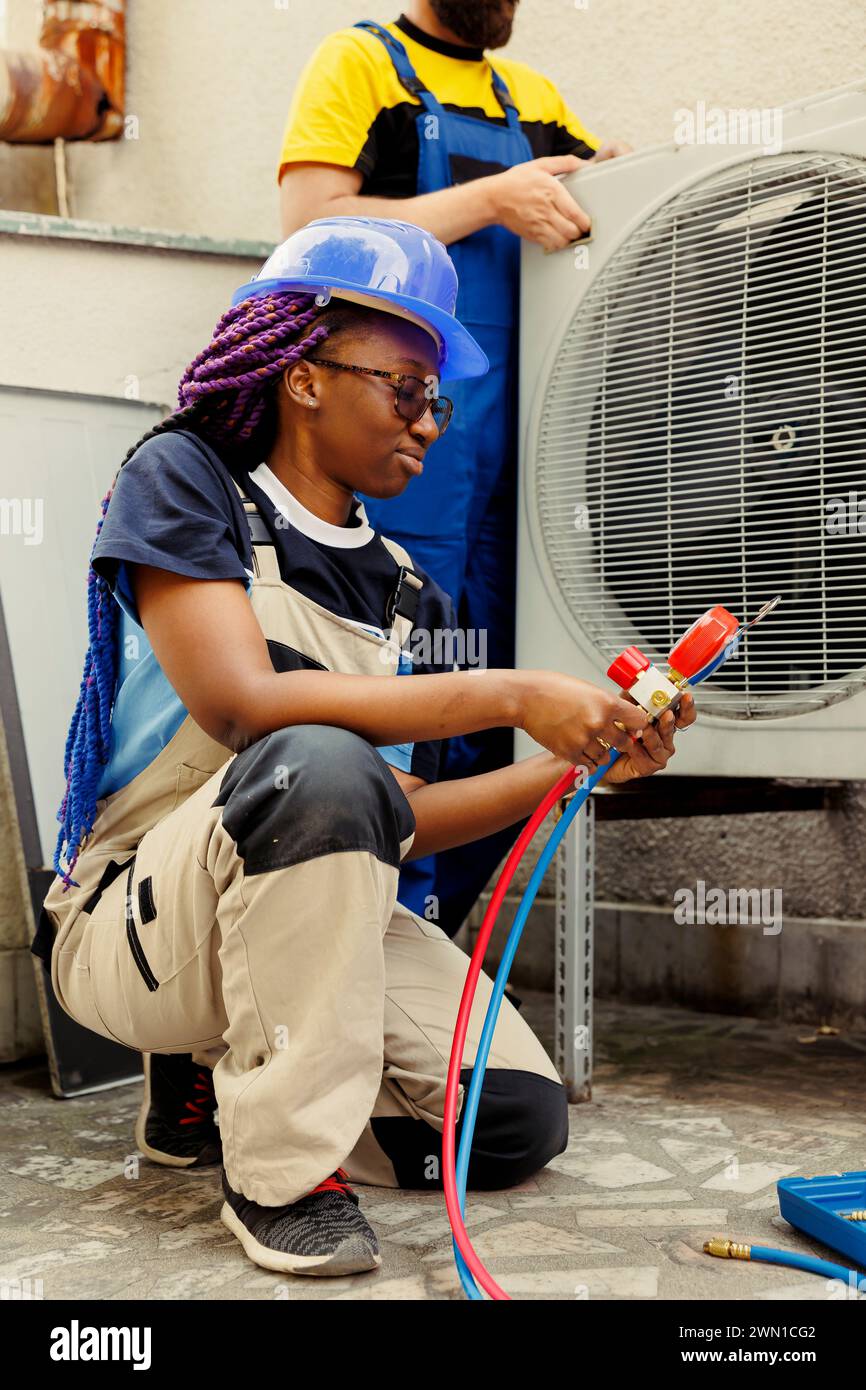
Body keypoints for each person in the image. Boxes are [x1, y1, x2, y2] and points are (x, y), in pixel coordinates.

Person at [32, 217, 694, 1278]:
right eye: (405, 390)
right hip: (139, 917)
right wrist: (514, 690)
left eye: (437, 400)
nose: (428, 422)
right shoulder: (187, 477)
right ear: (301, 375)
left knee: (514, 1124)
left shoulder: (399, 586)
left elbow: (393, 816)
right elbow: (248, 706)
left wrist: (575, 768)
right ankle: (280, 1177)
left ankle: (213, 1094)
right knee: (315, 756)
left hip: (312, 887)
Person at [277, 2, 632, 938]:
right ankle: (355, 933)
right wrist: (489, 199)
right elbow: (308, 224)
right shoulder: (362, 64)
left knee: (493, 707)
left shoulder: (536, 100)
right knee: (398, 694)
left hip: (521, 465)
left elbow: (608, 208)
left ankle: (431, 940)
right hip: (406, 455)